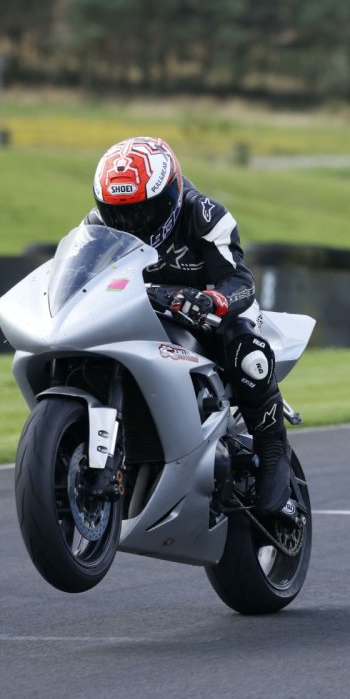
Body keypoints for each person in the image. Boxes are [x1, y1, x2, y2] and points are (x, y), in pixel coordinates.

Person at [84, 136, 291, 515]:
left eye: (144, 211)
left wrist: (212, 301)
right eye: (120, 212)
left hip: (208, 312)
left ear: (170, 194)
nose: (131, 222)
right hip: (141, 310)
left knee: (246, 350)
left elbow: (240, 283)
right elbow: (81, 275)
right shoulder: (96, 226)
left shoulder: (206, 215)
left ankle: (272, 444)